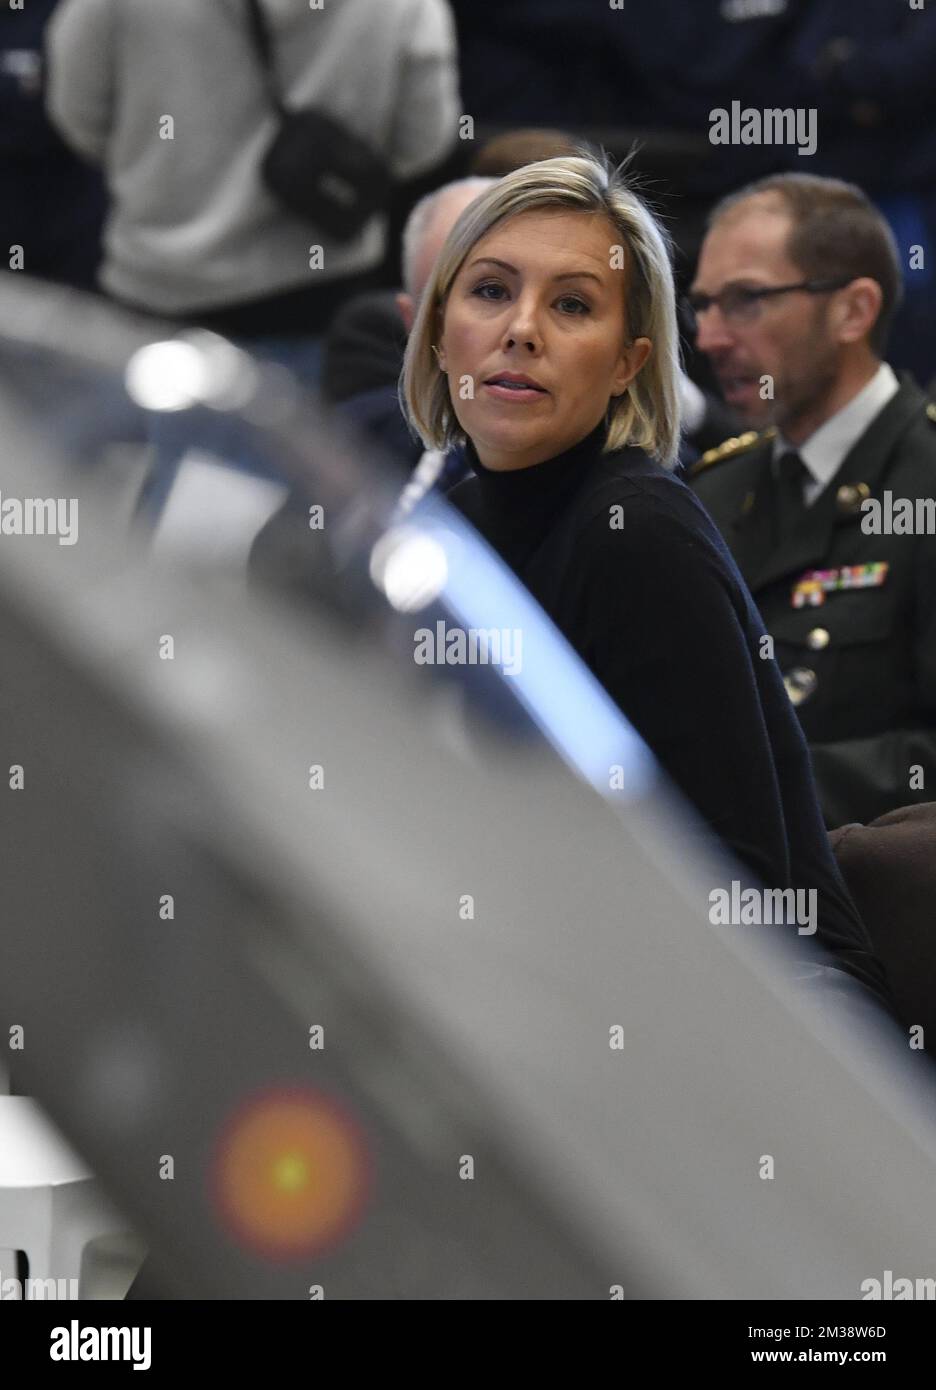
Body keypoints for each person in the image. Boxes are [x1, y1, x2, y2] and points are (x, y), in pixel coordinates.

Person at [399, 149, 887, 1006]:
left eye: (573, 305)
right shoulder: (457, 526)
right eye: (489, 291)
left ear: (627, 363)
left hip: (768, 1022)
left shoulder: (636, 533)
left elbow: (727, 896)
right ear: (439, 334)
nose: (521, 328)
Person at [687, 173, 936, 828]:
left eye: (745, 301)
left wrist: (753, 795)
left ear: (853, 311)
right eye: (704, 305)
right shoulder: (712, 491)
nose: (710, 337)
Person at [44, 0, 460, 383]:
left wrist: (152, 165)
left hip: (158, 298)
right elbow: (423, 140)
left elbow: (77, 113)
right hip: (325, 296)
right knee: (306, 463)